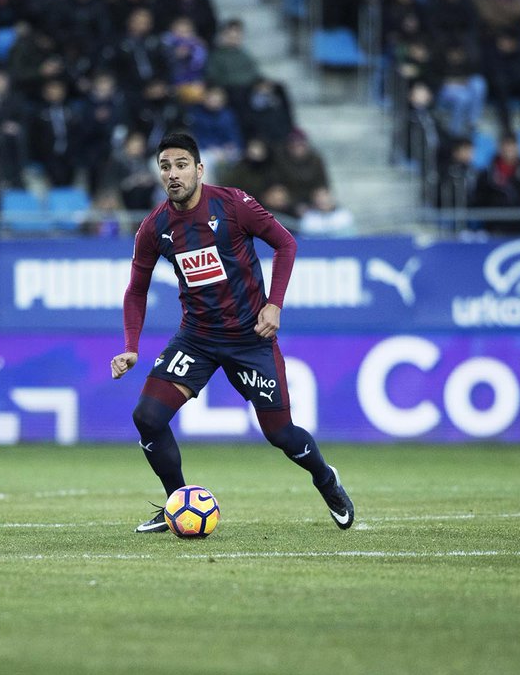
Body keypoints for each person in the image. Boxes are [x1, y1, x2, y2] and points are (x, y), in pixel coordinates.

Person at [110, 132, 355, 533]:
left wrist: (274, 303)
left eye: (182, 165)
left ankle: (327, 480)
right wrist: (130, 347)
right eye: (165, 167)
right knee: (148, 416)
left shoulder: (233, 204)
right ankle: (177, 503)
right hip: (197, 338)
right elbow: (136, 289)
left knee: (281, 434)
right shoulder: (155, 227)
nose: (173, 174)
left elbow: (286, 244)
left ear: (200, 169)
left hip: (250, 338)